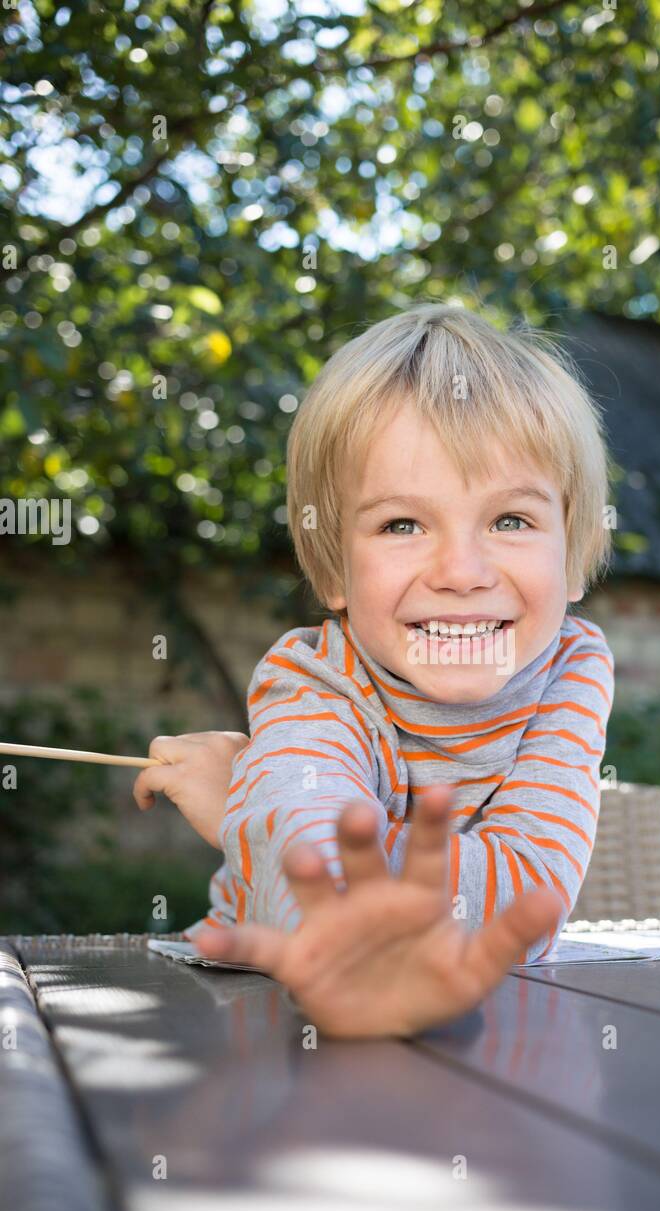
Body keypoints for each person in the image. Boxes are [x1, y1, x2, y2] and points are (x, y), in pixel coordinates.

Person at [133, 302, 615, 1037]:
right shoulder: (315, 682)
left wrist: (244, 809)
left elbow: (526, 906)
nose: (461, 571)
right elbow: (321, 895)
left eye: (510, 520)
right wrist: (272, 828)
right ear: (335, 570)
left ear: (572, 551)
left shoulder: (572, 668)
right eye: (401, 525)